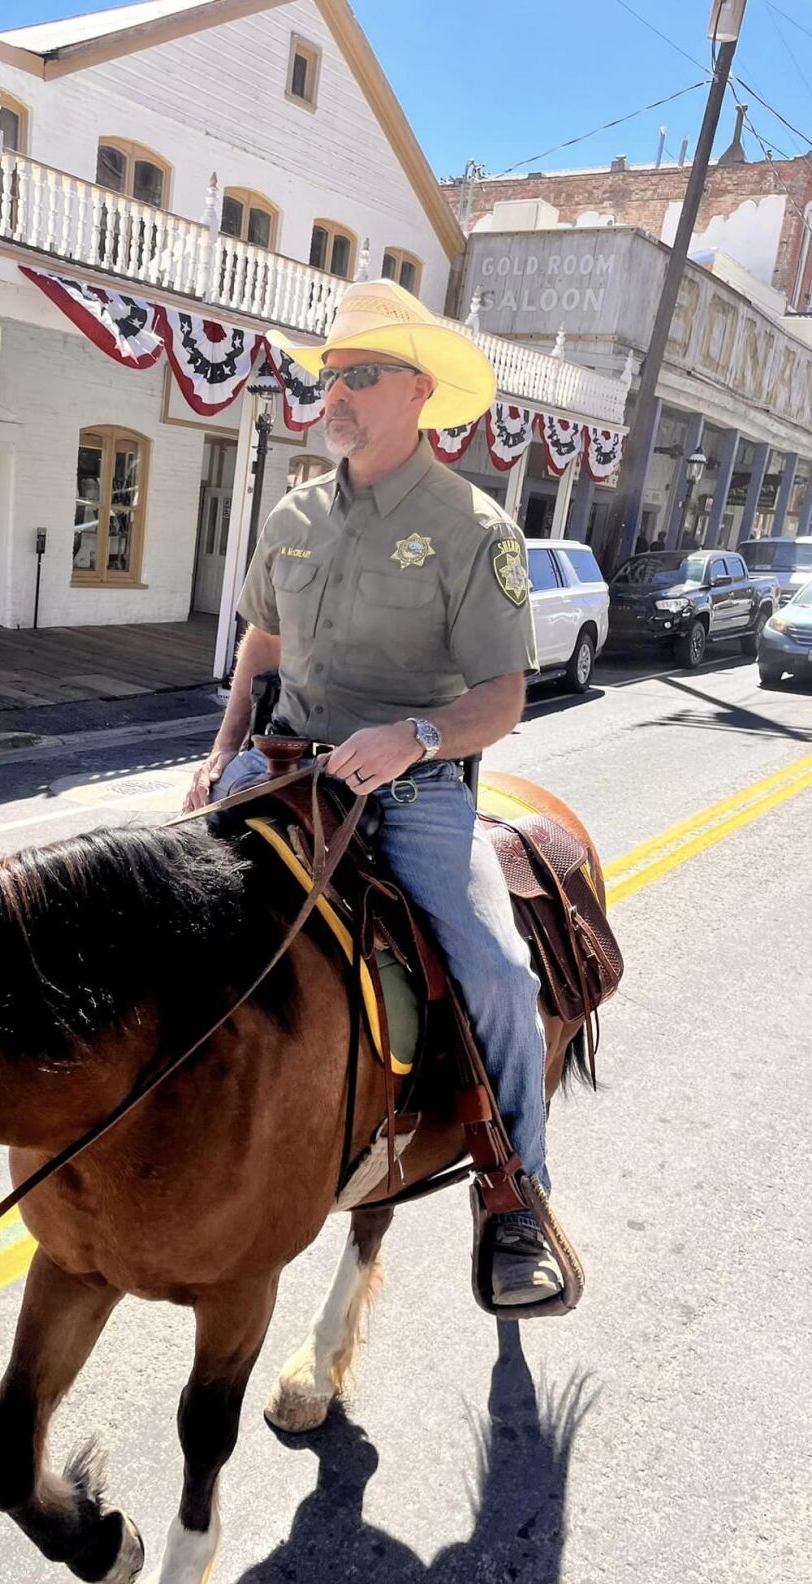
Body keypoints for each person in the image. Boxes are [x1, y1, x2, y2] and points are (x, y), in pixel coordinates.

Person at [184, 279, 564, 1307]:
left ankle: (515, 1193)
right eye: (328, 372)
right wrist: (221, 756)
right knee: (147, 907)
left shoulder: (472, 530)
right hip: (282, 764)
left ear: (416, 390)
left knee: (496, 973)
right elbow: (259, 644)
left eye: (357, 374)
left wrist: (413, 737)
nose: (332, 390)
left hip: (416, 791)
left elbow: (504, 695)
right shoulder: (296, 513)